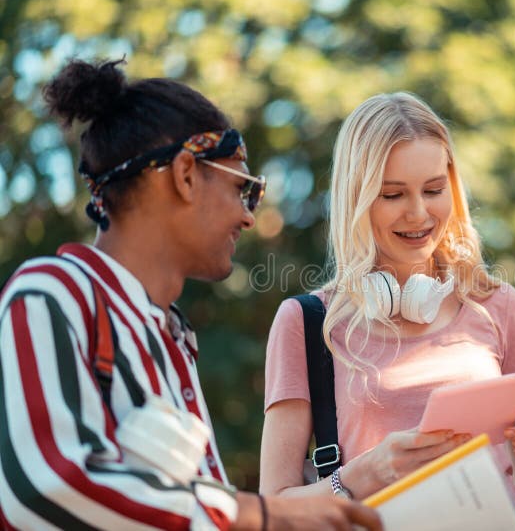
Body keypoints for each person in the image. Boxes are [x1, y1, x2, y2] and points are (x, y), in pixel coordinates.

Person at [0, 58, 381, 531]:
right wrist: (263, 513)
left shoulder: (170, 337)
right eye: (243, 188)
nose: (248, 217)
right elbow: (43, 488)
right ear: (184, 174)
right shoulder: (51, 293)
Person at [259, 92, 515, 530]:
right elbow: (272, 511)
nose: (419, 213)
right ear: (358, 198)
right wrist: (359, 476)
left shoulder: (499, 306)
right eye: (392, 194)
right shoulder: (308, 322)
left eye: (433, 190)